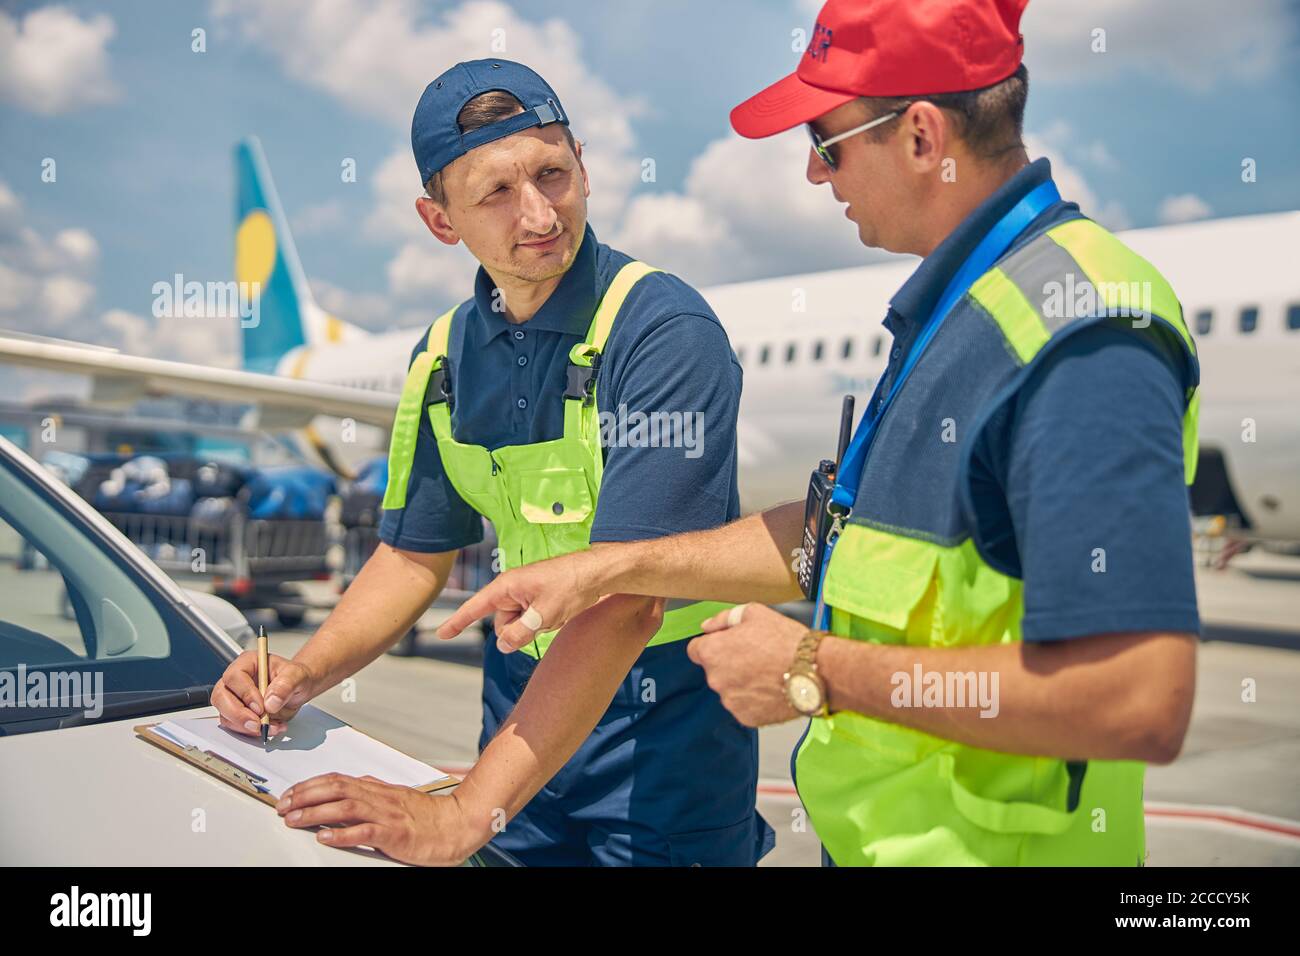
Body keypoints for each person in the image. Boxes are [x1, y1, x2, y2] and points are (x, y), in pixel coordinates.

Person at [439, 0, 1202, 866]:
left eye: (826, 143)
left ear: (920, 137)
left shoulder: (1076, 329)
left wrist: (813, 668)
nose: (812, 174)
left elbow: (1137, 696)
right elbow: (845, 542)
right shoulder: (962, 310)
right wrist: (611, 565)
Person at [211, 58, 773, 867]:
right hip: (523, 716)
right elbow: (412, 553)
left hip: (663, 733)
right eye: (496, 194)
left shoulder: (662, 329)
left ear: (583, 163)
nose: (540, 214)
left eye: (553, 173)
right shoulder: (441, 356)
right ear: (440, 220)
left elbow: (625, 601)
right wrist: (302, 671)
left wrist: (467, 811)